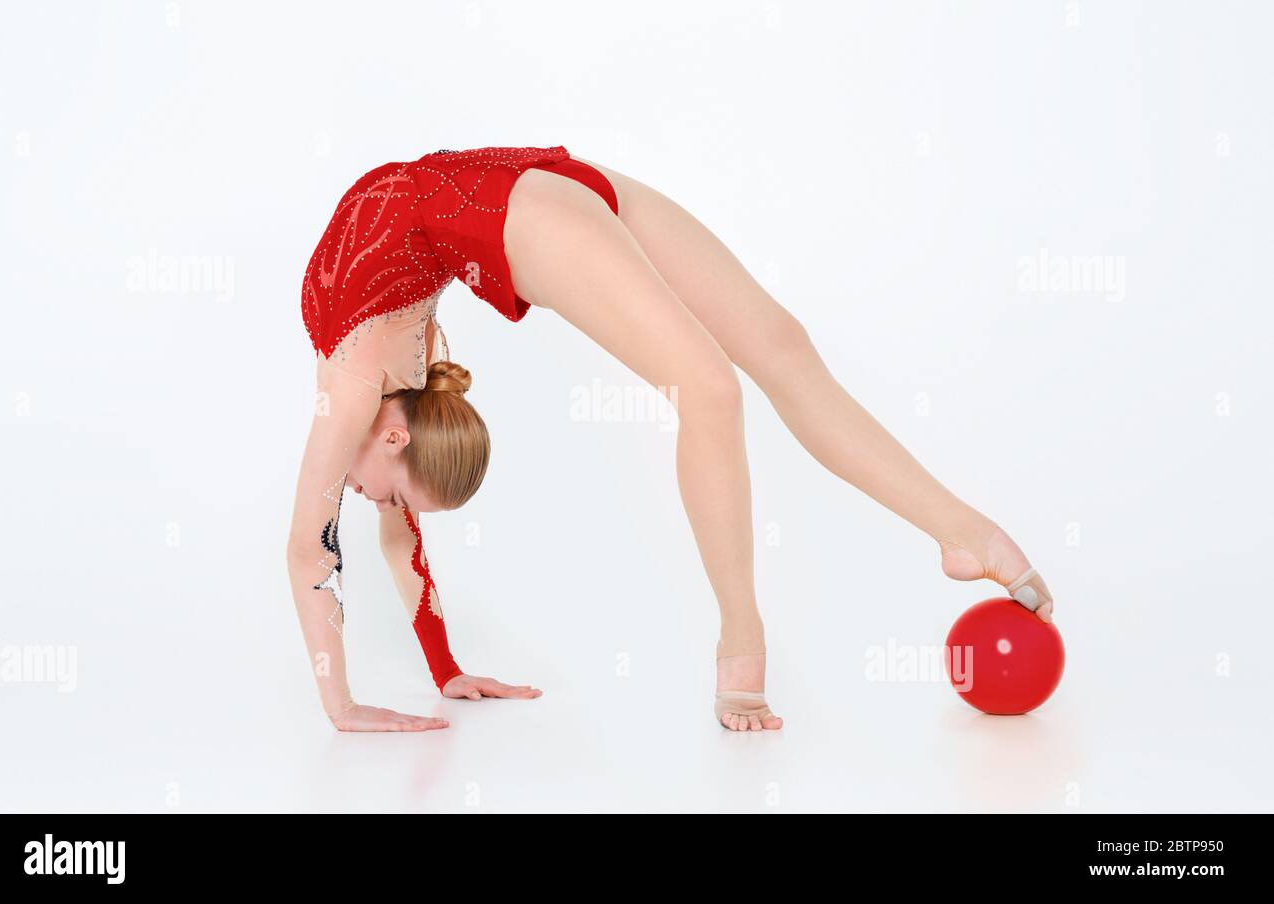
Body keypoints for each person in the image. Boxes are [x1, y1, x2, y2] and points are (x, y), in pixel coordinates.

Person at [287, 146, 1054, 733]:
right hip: (542, 178)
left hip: (521, 210)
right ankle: (970, 534)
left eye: (384, 493)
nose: (370, 501)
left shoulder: (351, 390)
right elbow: (400, 544)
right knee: (775, 349)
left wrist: (342, 706)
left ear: (392, 438)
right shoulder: (396, 391)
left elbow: (308, 549)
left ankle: (740, 640)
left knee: (713, 388)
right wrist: (447, 669)